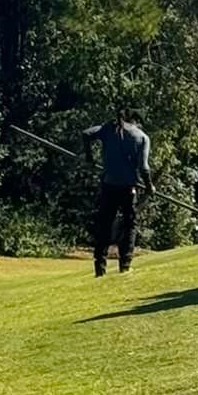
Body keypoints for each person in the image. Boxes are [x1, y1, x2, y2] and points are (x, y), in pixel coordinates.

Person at [83, 110, 152, 275]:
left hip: (109, 184)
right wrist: (149, 186)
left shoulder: (109, 128)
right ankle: (125, 265)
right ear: (137, 121)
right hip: (128, 187)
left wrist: (89, 157)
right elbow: (143, 167)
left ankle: (100, 267)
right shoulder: (142, 137)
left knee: (104, 225)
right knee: (129, 225)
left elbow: (86, 134)